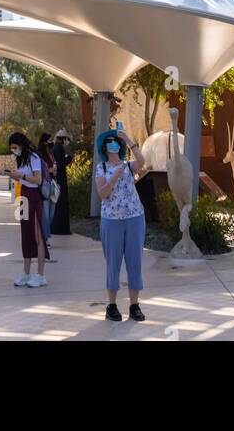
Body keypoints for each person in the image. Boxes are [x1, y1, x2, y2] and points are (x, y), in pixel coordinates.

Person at [94, 128, 147, 323]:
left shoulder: (128, 165)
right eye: (110, 141)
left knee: (135, 261)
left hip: (135, 218)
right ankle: (112, 306)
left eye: (116, 141)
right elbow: (102, 194)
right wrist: (114, 177)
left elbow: (142, 162)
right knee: (113, 262)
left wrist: (130, 140)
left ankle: (134, 305)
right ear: (104, 147)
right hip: (111, 221)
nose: (114, 143)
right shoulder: (102, 168)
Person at [7, 131, 47, 288]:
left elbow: (38, 180)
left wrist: (21, 176)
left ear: (21, 145)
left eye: (15, 147)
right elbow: (23, 178)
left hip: (33, 196)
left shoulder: (34, 158)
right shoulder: (20, 159)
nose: (13, 150)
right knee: (26, 233)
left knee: (37, 235)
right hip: (23, 195)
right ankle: (26, 272)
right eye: (11, 148)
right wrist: (15, 176)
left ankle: (41, 274)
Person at [37, 133, 57, 257]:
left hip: (53, 184)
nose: (51, 142)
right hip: (45, 185)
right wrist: (50, 170)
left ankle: (45, 234)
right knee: (45, 212)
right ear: (44, 141)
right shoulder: (40, 155)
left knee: (51, 212)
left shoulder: (51, 153)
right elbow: (41, 170)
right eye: (49, 140)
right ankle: (45, 238)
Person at [50, 129, 72, 235]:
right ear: (63, 139)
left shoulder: (55, 148)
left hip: (58, 178)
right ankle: (61, 229)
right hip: (60, 179)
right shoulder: (58, 149)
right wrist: (69, 159)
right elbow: (61, 164)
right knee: (61, 203)